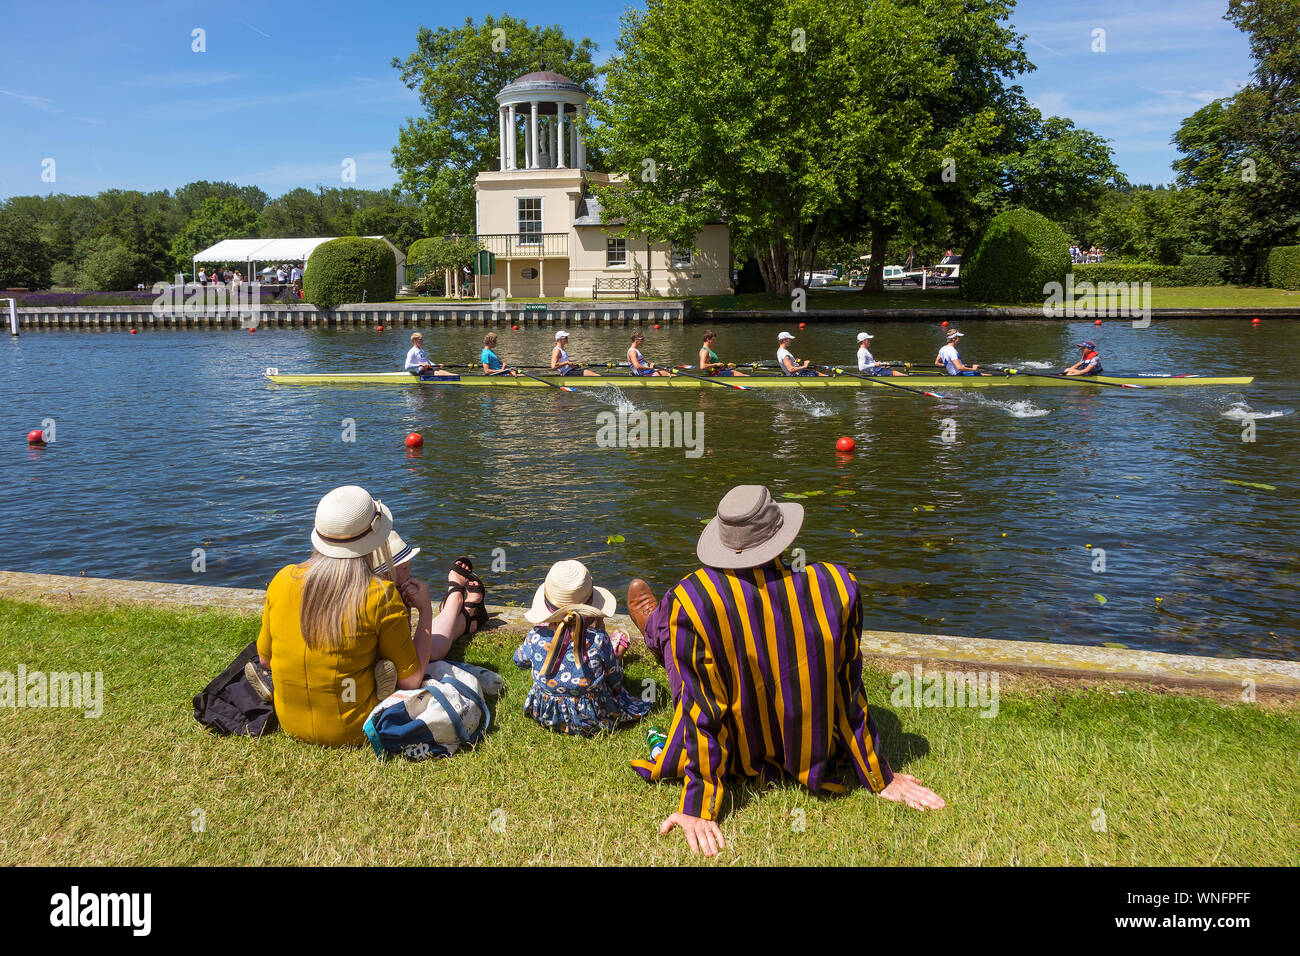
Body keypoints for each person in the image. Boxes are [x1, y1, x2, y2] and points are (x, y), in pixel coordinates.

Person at [624, 485, 945, 856]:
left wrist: (699, 806)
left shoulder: (693, 599)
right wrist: (877, 775)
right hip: (812, 751)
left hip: (736, 761)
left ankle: (655, 629)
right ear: (782, 535)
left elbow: (702, 710)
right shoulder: (838, 587)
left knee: (677, 632)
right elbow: (848, 691)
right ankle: (657, 629)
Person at [248, 485, 477, 748]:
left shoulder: (283, 578)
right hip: (355, 729)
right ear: (375, 538)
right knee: (420, 671)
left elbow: (265, 659)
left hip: (289, 721)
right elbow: (412, 680)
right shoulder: (380, 594)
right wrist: (425, 611)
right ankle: (457, 610)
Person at [512, 559, 650, 735]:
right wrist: (616, 690)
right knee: (606, 665)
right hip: (592, 717)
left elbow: (519, 661)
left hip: (546, 714)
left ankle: (613, 653)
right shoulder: (598, 639)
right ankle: (615, 652)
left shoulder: (535, 636)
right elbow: (615, 679)